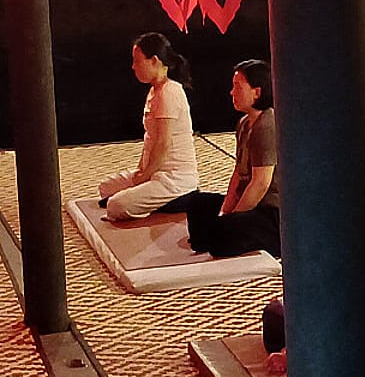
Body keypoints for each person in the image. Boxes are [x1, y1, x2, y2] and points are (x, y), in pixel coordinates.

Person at [185, 60, 281, 258]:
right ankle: (216, 235)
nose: (231, 92)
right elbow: (238, 174)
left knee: (225, 233)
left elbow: (260, 184)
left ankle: (223, 235)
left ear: (257, 92)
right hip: (251, 206)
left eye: (237, 87)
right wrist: (225, 212)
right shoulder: (244, 123)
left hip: (271, 212)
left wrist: (233, 218)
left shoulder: (267, 126)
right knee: (198, 204)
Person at [98, 33, 199, 220]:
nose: (133, 67)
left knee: (115, 206)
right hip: (154, 170)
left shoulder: (170, 92)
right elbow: (150, 139)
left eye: (137, 61)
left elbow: (163, 144)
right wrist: (141, 170)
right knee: (106, 188)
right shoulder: (156, 90)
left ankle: (176, 199)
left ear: (154, 61)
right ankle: (153, 199)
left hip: (174, 177)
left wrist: (145, 177)